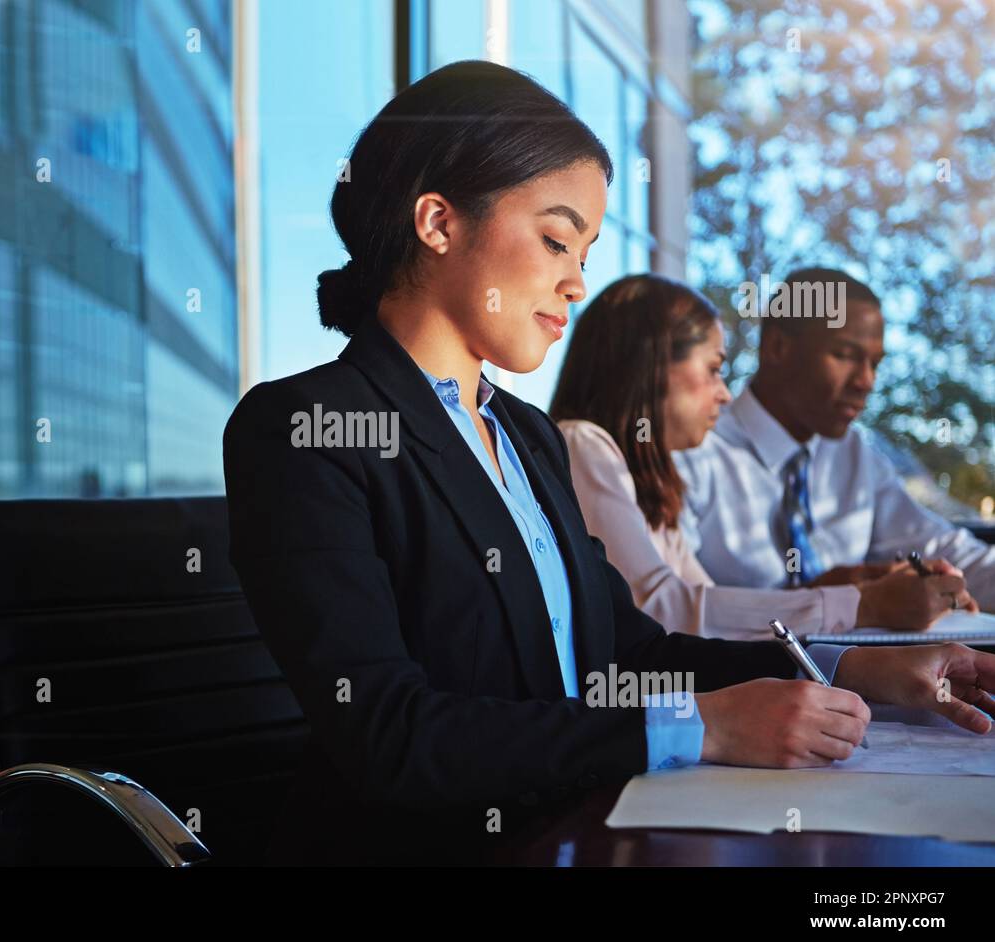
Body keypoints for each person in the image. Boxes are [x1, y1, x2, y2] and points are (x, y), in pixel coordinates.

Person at [222, 62, 995, 864]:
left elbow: (628, 654)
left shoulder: (525, 435)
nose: (578, 282)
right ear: (437, 221)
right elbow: (388, 734)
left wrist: (850, 671)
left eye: (586, 251)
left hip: (583, 828)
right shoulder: (306, 429)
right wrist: (704, 723)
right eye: (557, 239)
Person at [549, 274, 971, 639]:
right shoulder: (584, 444)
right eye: (713, 369)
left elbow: (705, 606)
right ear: (651, 365)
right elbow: (662, 608)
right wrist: (859, 606)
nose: (724, 392)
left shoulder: (647, 472)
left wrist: (847, 591)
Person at [675, 267, 995, 614]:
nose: (866, 381)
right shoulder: (693, 450)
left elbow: (947, 548)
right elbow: (677, 611)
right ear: (777, 348)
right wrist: (858, 603)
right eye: (845, 355)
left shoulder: (855, 456)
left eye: (875, 363)